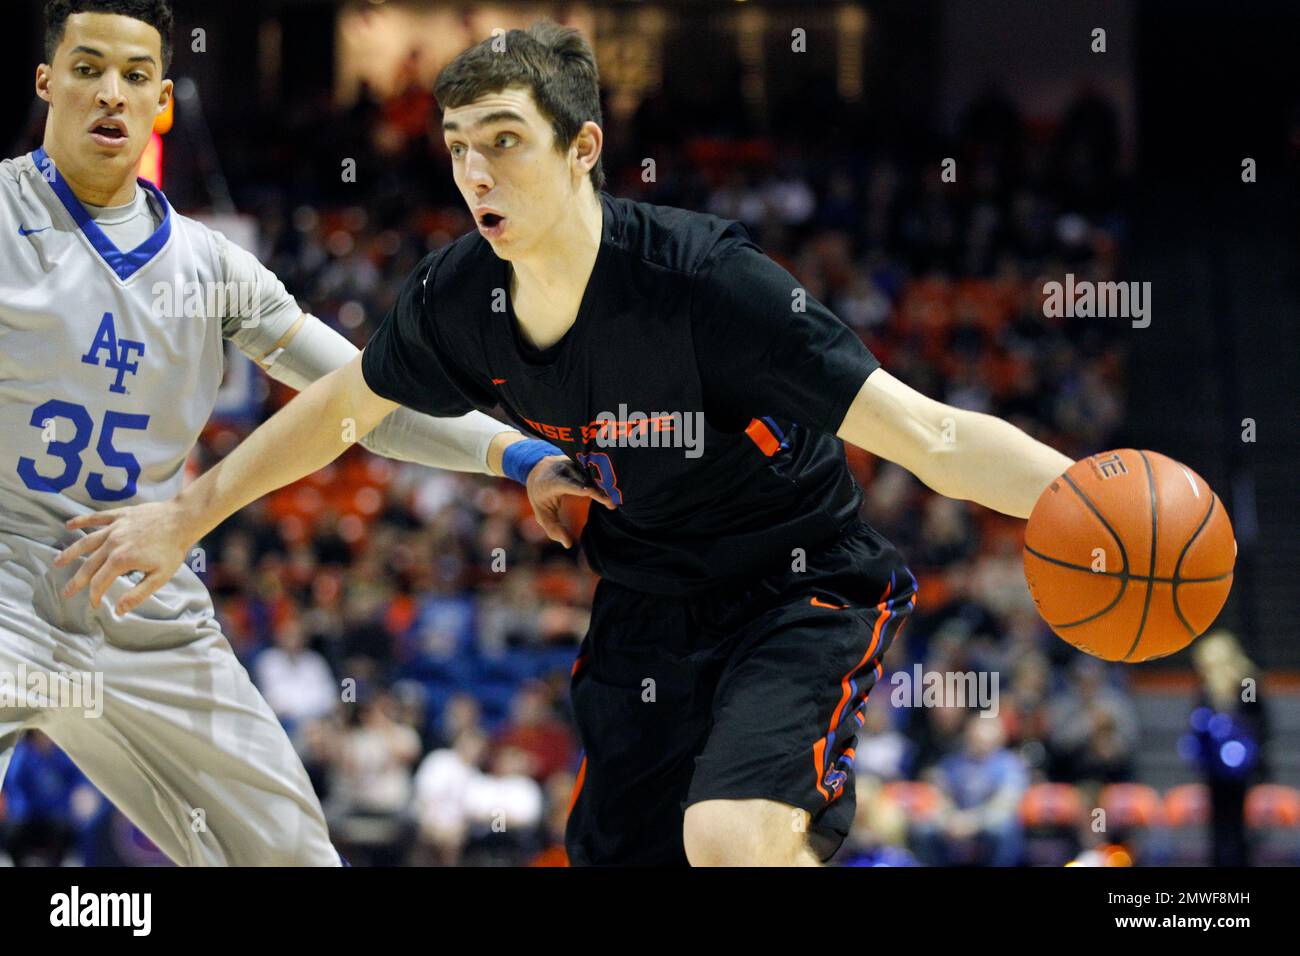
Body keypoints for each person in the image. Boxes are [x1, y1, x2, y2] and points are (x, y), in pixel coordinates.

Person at [58, 21, 1074, 866]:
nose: (473, 170)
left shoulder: (708, 285)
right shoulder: (460, 296)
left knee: (730, 839)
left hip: (796, 587)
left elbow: (931, 435)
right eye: (457, 145)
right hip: (645, 605)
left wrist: (1093, 496)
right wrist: (185, 511)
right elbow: (340, 409)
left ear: (583, 146)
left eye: (502, 140)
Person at [0, 0, 594, 866]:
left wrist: (517, 451)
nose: (110, 96)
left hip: (138, 594)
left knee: (292, 857)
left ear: (162, 98)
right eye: (87, 69)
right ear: (47, 82)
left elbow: (366, 396)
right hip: (6, 574)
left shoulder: (211, 266)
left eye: (135, 77)